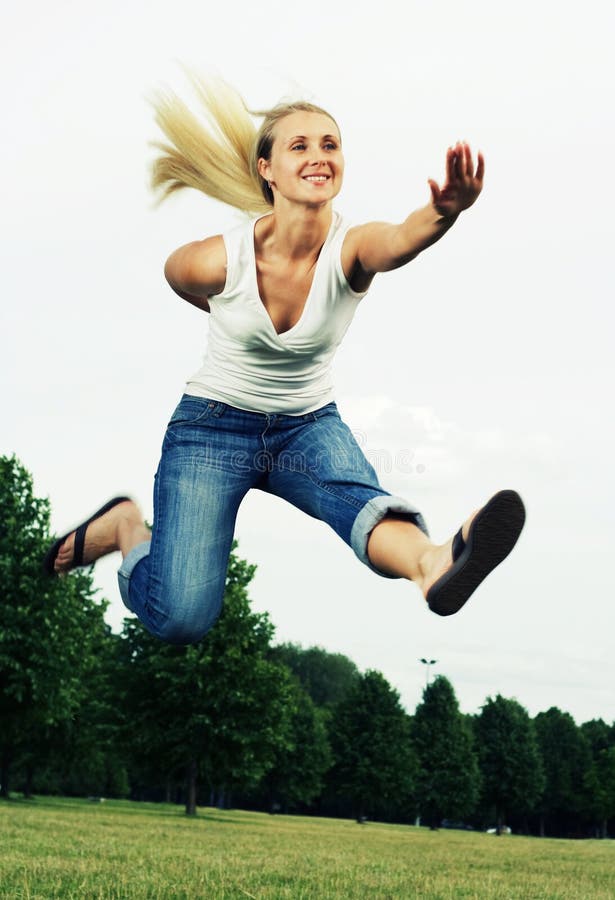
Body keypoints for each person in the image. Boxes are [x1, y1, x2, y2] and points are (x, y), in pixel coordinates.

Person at [44, 78, 525, 644]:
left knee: (355, 500)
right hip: (211, 429)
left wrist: (445, 212)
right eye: (300, 146)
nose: (319, 157)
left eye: (330, 144)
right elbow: (175, 275)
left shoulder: (352, 247)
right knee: (181, 618)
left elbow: (400, 239)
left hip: (305, 425)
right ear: (267, 169)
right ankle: (126, 527)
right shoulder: (218, 259)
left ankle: (434, 562)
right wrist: (226, 314)